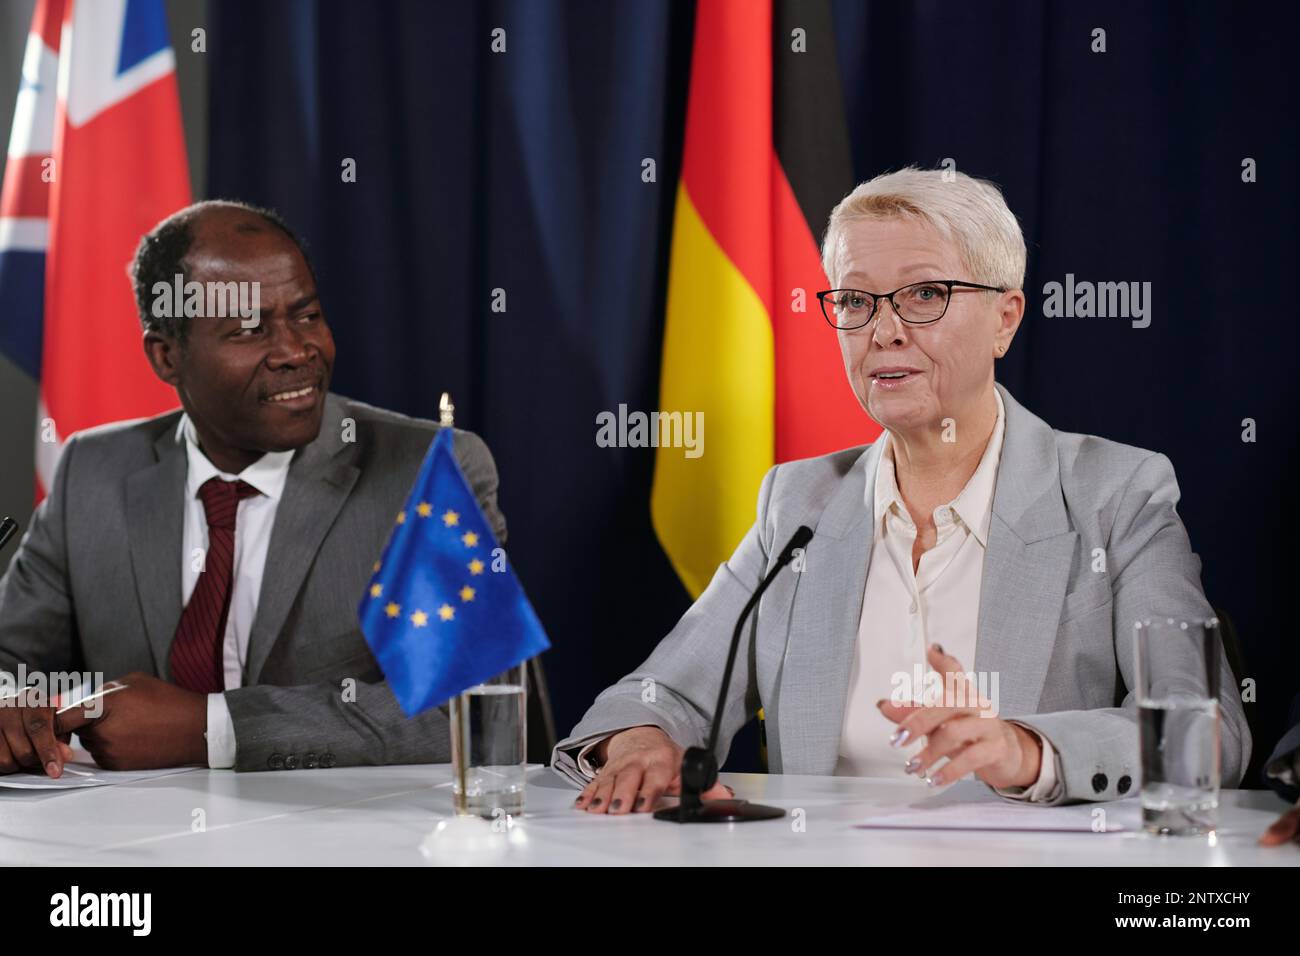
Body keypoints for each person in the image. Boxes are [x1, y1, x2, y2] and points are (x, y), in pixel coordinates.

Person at [553, 167, 1250, 813]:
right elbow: (664, 692)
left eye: (925, 295)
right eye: (855, 300)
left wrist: (1026, 750)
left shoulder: (1115, 493)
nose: (883, 331)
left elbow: (1205, 732)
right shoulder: (799, 501)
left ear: (1005, 318)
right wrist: (642, 741)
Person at [0, 200, 505, 775]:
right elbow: (10, 661)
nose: (296, 351)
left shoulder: (429, 471)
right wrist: (10, 710)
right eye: (249, 329)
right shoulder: (92, 470)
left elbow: (468, 705)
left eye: (307, 315)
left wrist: (209, 729)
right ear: (167, 356)